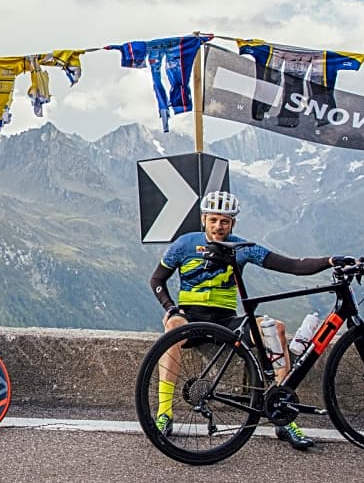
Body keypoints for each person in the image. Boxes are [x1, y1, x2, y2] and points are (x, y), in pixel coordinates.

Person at [148, 190, 352, 450]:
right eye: (213, 220)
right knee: (173, 328)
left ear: (233, 223)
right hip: (191, 318)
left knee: (275, 329)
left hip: (226, 321)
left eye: (225, 221)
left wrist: (330, 261)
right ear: (203, 220)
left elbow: (292, 265)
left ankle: (283, 414)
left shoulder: (241, 248)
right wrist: (170, 308)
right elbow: (156, 280)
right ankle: (165, 413)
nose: (218, 226)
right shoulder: (185, 245)